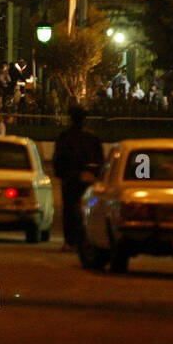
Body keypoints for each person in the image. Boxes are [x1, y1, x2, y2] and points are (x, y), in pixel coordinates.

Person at [53, 105, 103, 251]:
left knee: (69, 211)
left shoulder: (65, 137)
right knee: (86, 210)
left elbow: (58, 160)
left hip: (70, 180)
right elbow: (99, 161)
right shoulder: (92, 138)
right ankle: (84, 239)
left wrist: (64, 175)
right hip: (86, 180)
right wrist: (92, 174)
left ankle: (70, 241)